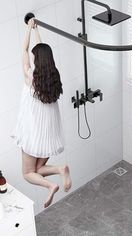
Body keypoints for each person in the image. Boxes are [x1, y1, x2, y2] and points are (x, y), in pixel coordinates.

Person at [11, 19, 72, 208]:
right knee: (39, 168)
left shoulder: (31, 78)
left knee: (28, 173)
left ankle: (50, 185)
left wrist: (28, 29)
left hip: (33, 136)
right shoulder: (54, 78)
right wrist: (37, 30)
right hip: (48, 137)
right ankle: (60, 169)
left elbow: (24, 52)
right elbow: (41, 50)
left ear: (36, 59)